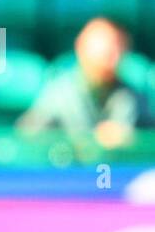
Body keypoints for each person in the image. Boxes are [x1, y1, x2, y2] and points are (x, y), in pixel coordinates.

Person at [17, 18, 145, 153]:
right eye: (105, 51)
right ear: (81, 47)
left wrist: (132, 140)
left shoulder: (132, 96)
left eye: (118, 49)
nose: (112, 58)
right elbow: (27, 136)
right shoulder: (60, 93)